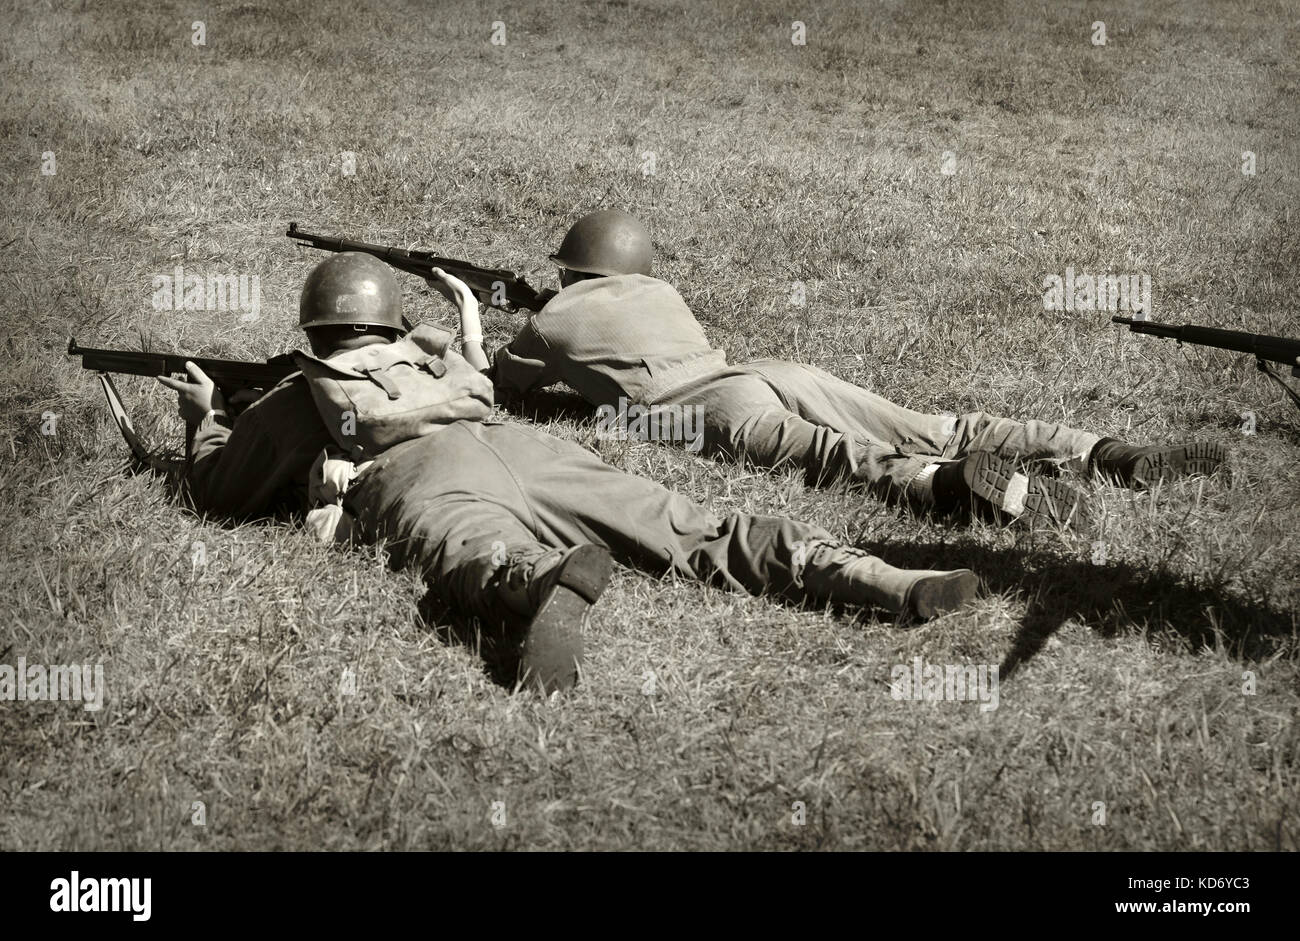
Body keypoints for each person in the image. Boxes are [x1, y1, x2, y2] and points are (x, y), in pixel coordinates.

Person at [157, 253, 982, 694]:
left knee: (472, 549)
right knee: (694, 528)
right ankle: (879, 576)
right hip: (531, 448)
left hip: (419, 478)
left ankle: (541, 582)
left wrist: (206, 416)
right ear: (386, 319)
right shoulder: (431, 357)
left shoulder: (303, 394)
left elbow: (218, 492)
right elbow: (489, 376)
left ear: (315, 328)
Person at [489, 210, 1230, 529]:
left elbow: (497, 384)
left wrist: (469, 305)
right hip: (767, 368)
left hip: (700, 404)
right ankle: (1103, 451)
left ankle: (955, 489)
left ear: (571, 274)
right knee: (937, 422)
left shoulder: (555, 318)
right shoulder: (661, 289)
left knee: (836, 458)